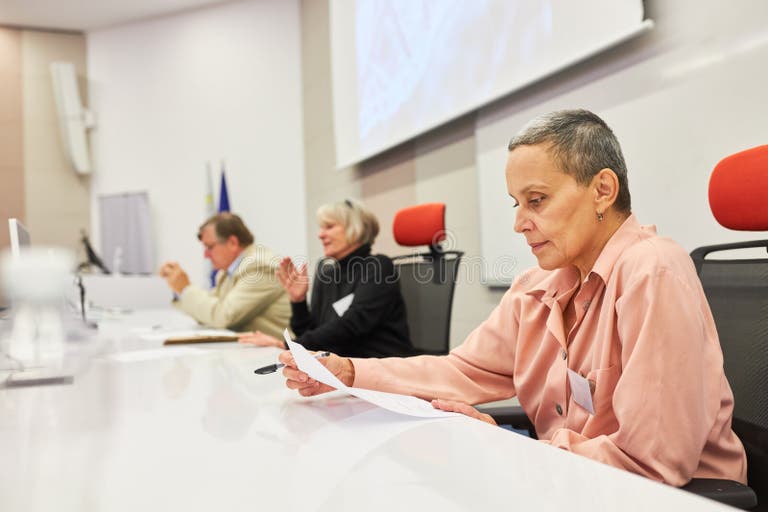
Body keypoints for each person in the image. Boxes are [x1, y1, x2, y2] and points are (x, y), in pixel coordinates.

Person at [277, 109, 747, 487]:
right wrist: (348, 372)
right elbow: (461, 370)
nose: (519, 222)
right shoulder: (535, 289)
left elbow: (653, 464)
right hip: (568, 483)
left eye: (536, 200)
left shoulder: (652, 271)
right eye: (515, 203)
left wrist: (510, 451)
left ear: (603, 190)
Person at [239, 199, 414, 358]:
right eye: (321, 228)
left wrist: (288, 345)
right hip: (340, 369)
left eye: (329, 227)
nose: (320, 235)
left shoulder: (379, 266)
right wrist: (298, 301)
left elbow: (353, 325)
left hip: (380, 367)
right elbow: (311, 333)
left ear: (356, 229)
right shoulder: (328, 274)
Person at [159, 213, 290, 337]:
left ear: (232, 243)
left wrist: (185, 289)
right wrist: (179, 289)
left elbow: (223, 316)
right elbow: (208, 313)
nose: (206, 255)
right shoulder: (228, 271)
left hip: (278, 354)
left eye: (209, 247)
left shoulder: (260, 267)